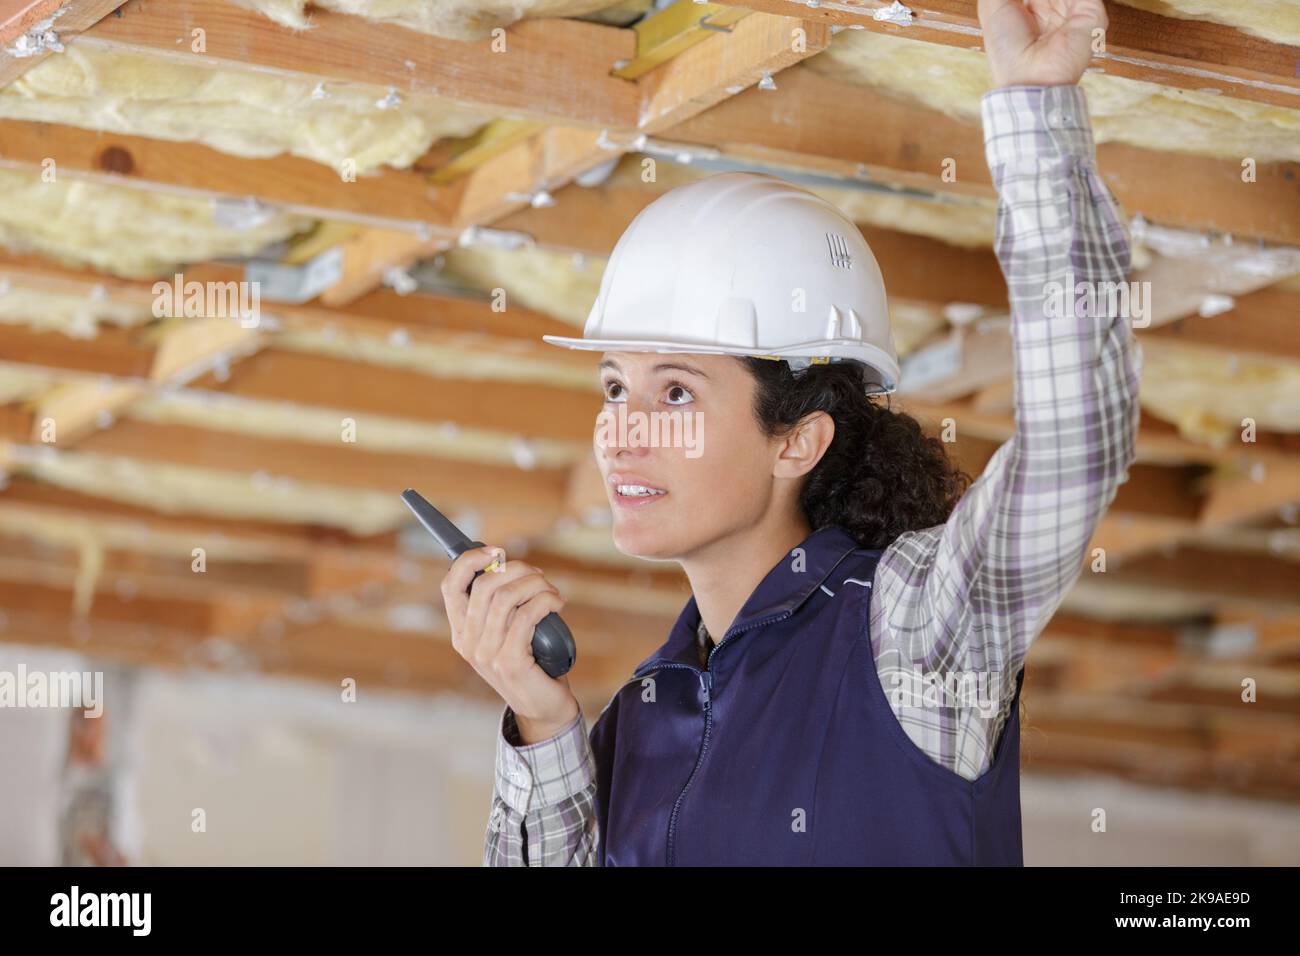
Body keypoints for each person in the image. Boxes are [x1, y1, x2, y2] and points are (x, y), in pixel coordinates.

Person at [441, 0, 1140, 865]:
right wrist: (542, 722)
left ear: (797, 441)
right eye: (615, 385)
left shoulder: (911, 637)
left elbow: (1076, 449)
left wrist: (1038, 114)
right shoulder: (641, 719)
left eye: (677, 394)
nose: (620, 433)